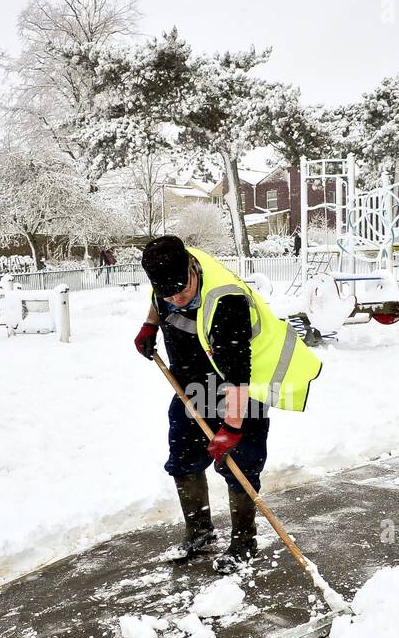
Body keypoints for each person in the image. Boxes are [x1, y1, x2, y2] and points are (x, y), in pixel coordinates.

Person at [134, 235, 322, 573]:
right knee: (183, 455)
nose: (176, 300)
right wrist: (150, 324)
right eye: (168, 295)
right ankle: (199, 531)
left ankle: (244, 541)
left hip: (245, 382)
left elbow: (237, 375)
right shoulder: (168, 268)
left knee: (240, 462)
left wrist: (232, 428)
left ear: (191, 269)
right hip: (193, 380)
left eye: (181, 292)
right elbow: (158, 297)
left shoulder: (225, 300)